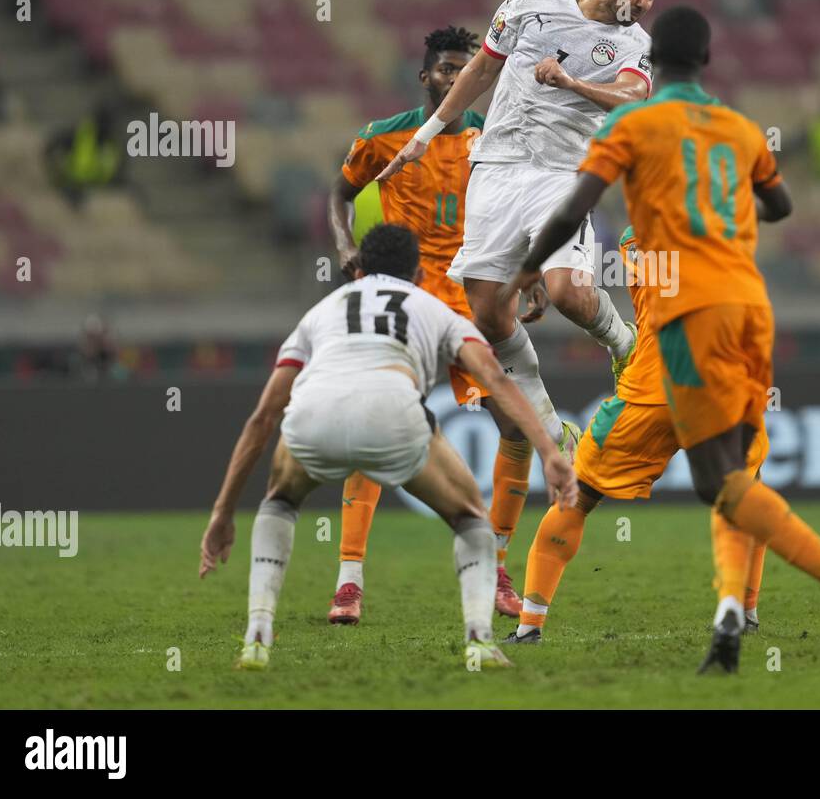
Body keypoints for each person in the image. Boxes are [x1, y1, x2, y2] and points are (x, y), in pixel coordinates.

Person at [503, 5, 820, 674]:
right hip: (751, 308)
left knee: (695, 484)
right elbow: (781, 206)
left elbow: (575, 206)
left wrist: (527, 270)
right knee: (732, 481)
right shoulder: (740, 129)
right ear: (707, 62)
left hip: (692, 320)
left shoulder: (635, 124)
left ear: (650, 63)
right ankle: (736, 618)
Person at [374, 0, 659, 589]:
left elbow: (629, 101)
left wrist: (569, 82)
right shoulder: (530, 3)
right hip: (496, 168)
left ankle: (623, 344)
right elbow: (479, 71)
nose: (643, 2)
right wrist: (423, 139)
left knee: (565, 290)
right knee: (486, 312)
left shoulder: (637, 45)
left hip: (565, 174)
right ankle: (550, 425)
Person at [198, 225, 577, 670]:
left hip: (315, 414)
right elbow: (495, 378)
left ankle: (257, 635)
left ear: (357, 270)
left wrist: (223, 512)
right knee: (471, 519)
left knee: (279, 503)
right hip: (393, 415)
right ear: (418, 275)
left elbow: (262, 418)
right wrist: (549, 451)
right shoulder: (433, 309)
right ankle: (479, 642)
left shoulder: (320, 312)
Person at [328, 26, 536, 622]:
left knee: (515, 427)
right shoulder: (385, 137)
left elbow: (522, 212)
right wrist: (345, 246)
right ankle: (349, 581)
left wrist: (534, 273)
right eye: (445, 69)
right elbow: (338, 195)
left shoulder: (493, 139)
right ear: (426, 77)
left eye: (464, 71)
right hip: (408, 300)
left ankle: (497, 567)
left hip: (474, 299)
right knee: (376, 426)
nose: (455, 79)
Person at [507, 227, 771, 644]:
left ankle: (529, 627)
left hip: (651, 390)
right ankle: (745, 613)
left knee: (577, 499)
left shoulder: (636, 236)